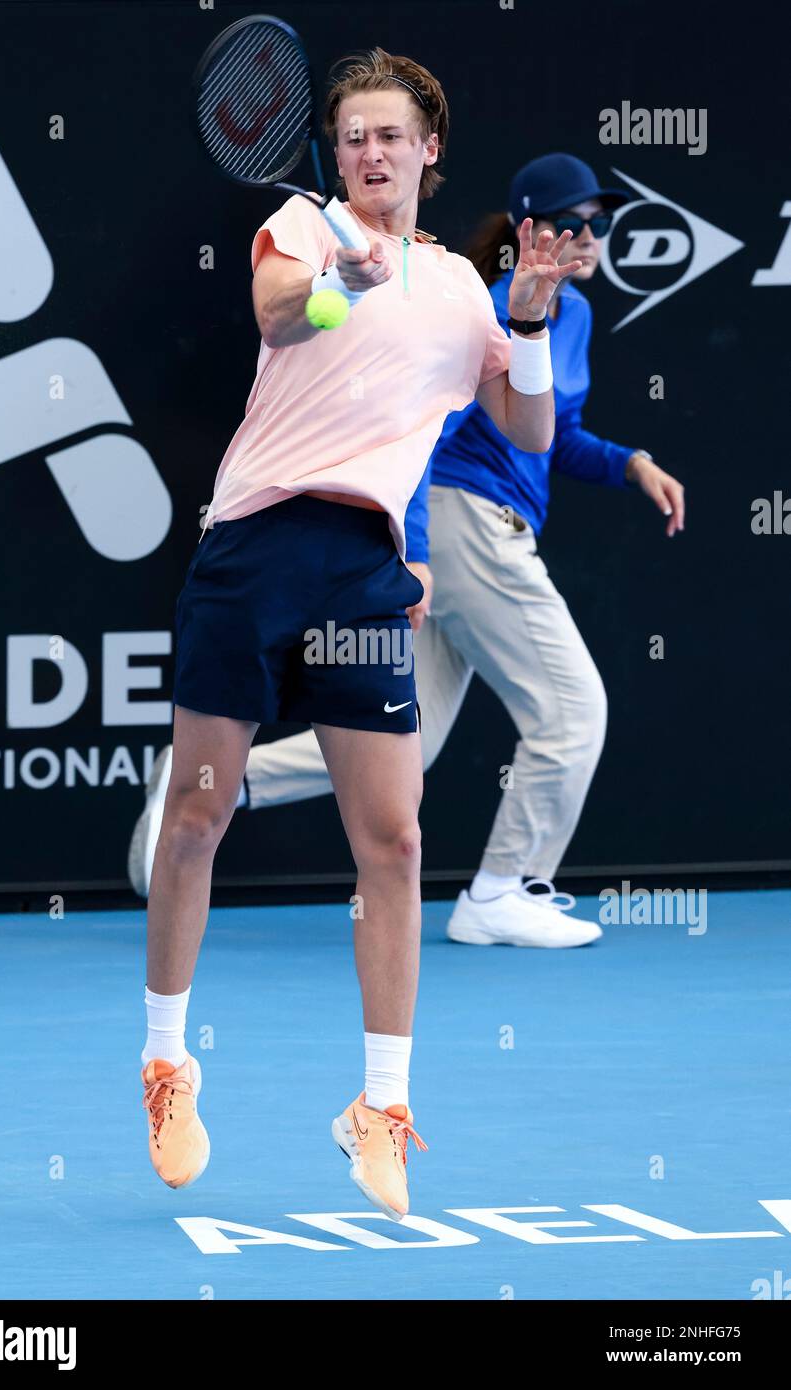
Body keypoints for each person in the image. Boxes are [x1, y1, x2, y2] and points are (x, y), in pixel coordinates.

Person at [138, 53, 577, 1219]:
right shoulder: (302, 225)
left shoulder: (462, 289)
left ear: (430, 148)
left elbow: (523, 428)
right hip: (249, 551)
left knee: (392, 843)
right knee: (196, 815)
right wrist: (344, 277)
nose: (368, 155)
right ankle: (167, 1064)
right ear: (331, 153)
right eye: (350, 137)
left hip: (363, 571)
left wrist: (526, 316)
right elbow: (279, 320)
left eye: (388, 136)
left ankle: (378, 1106)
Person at [130, 153, 685, 953]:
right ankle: (505, 888)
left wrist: (629, 462)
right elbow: (425, 435)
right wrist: (415, 551)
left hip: (478, 528)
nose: (591, 234)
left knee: (401, 749)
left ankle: (218, 784)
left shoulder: (574, 317)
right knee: (573, 710)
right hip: (465, 529)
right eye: (576, 220)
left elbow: (546, 436)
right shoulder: (487, 302)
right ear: (532, 228)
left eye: (599, 222)